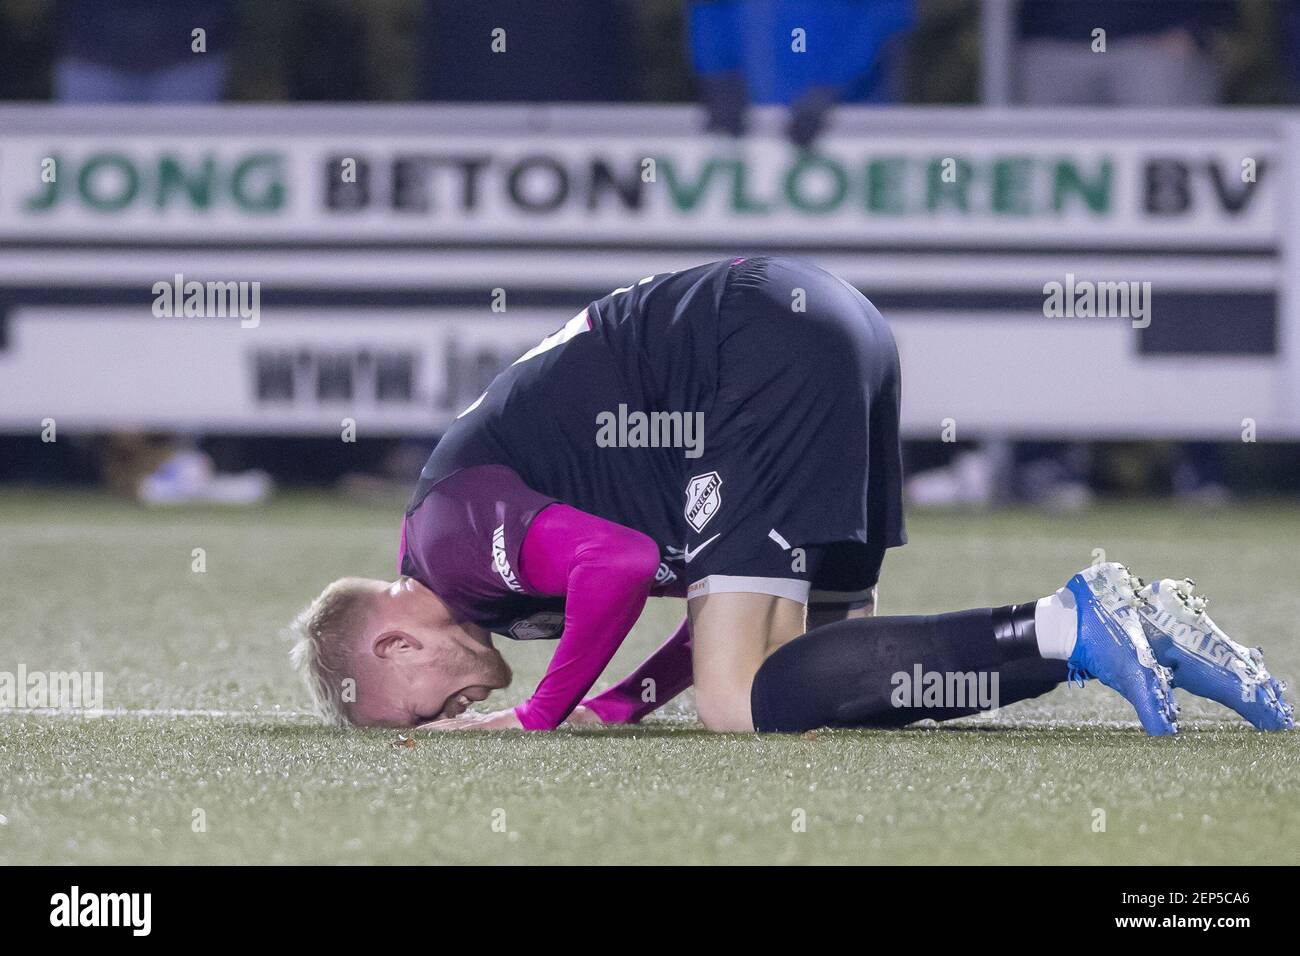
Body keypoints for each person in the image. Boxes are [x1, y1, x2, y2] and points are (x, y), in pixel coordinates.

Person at [288, 258, 1291, 735]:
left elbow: (624, 566)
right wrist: (620, 703)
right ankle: (1121, 627)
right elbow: (698, 599)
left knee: (738, 701)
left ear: (393, 643)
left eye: (412, 713)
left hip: (753, 341)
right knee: (815, 679)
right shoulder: (488, 570)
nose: (446, 712)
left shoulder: (448, 537)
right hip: (826, 323)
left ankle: (1071, 619)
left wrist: (541, 715)